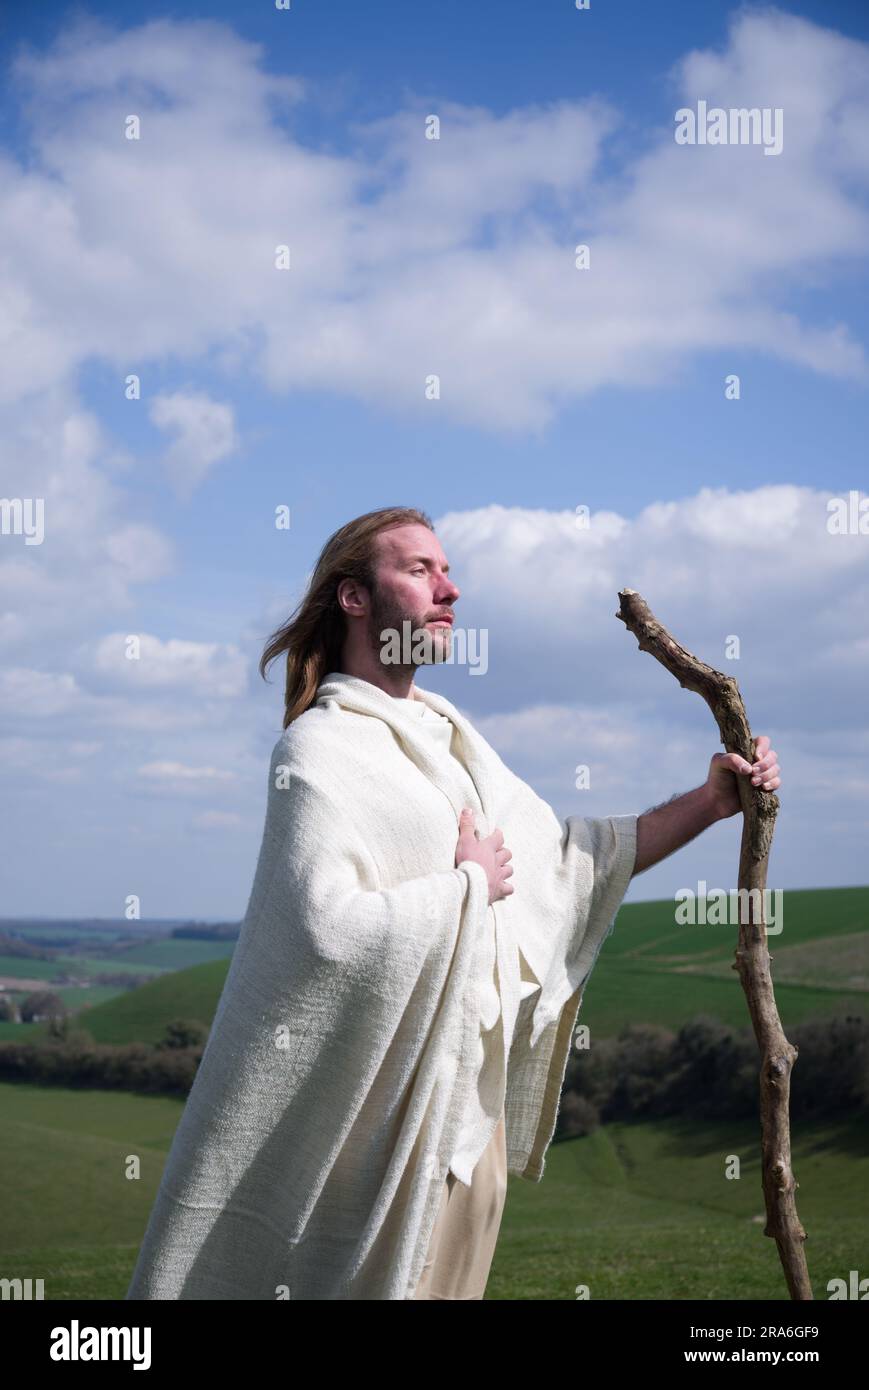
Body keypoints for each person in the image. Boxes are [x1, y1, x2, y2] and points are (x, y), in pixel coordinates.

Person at [126, 505, 781, 1301]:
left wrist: (710, 803)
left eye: (446, 570)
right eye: (420, 570)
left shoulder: (451, 741)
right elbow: (322, 934)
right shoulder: (319, 752)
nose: (451, 589)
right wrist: (464, 888)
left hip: (468, 1128)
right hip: (387, 1148)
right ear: (354, 599)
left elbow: (571, 862)